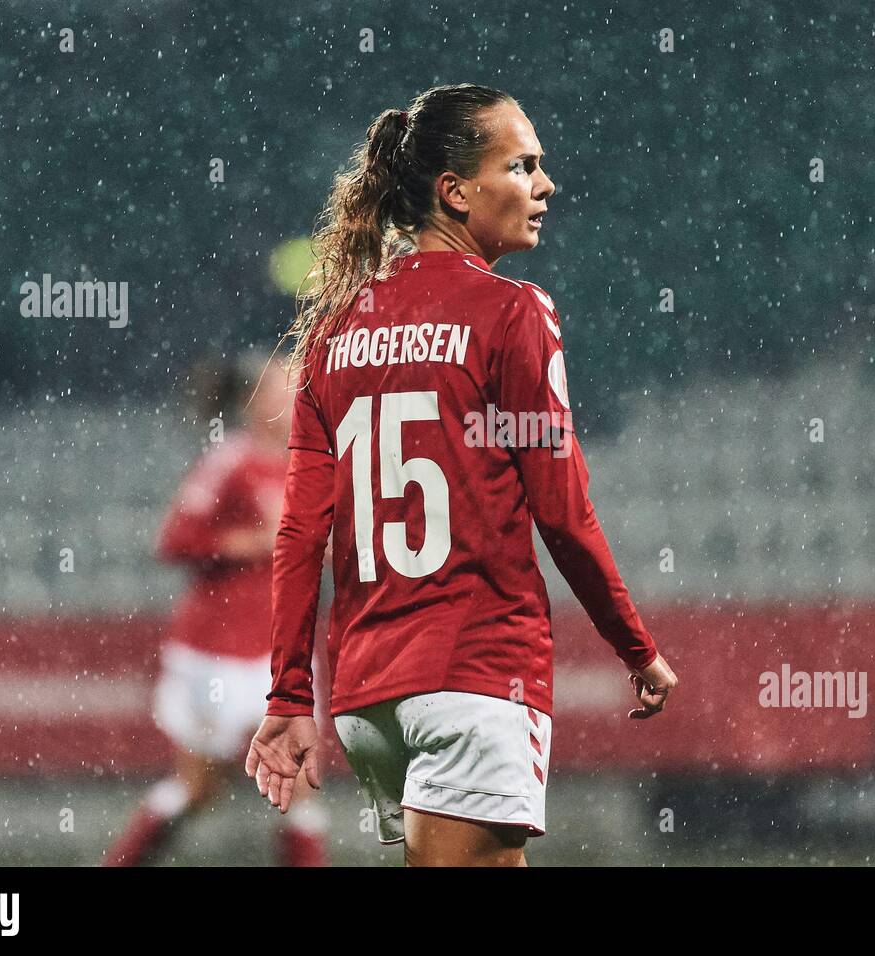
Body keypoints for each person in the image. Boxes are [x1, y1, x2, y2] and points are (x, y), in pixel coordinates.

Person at [245, 83, 678, 867]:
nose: (544, 185)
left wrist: (288, 694)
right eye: (522, 166)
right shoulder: (513, 313)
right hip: (475, 674)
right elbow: (564, 513)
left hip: (370, 692)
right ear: (455, 189)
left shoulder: (336, 331)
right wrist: (635, 646)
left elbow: (300, 531)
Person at [104, 352, 331, 866]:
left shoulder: (313, 463)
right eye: (285, 388)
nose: (298, 398)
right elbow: (175, 540)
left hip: (278, 652)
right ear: (257, 404)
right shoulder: (231, 462)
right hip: (215, 653)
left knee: (295, 784)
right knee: (202, 790)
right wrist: (256, 542)